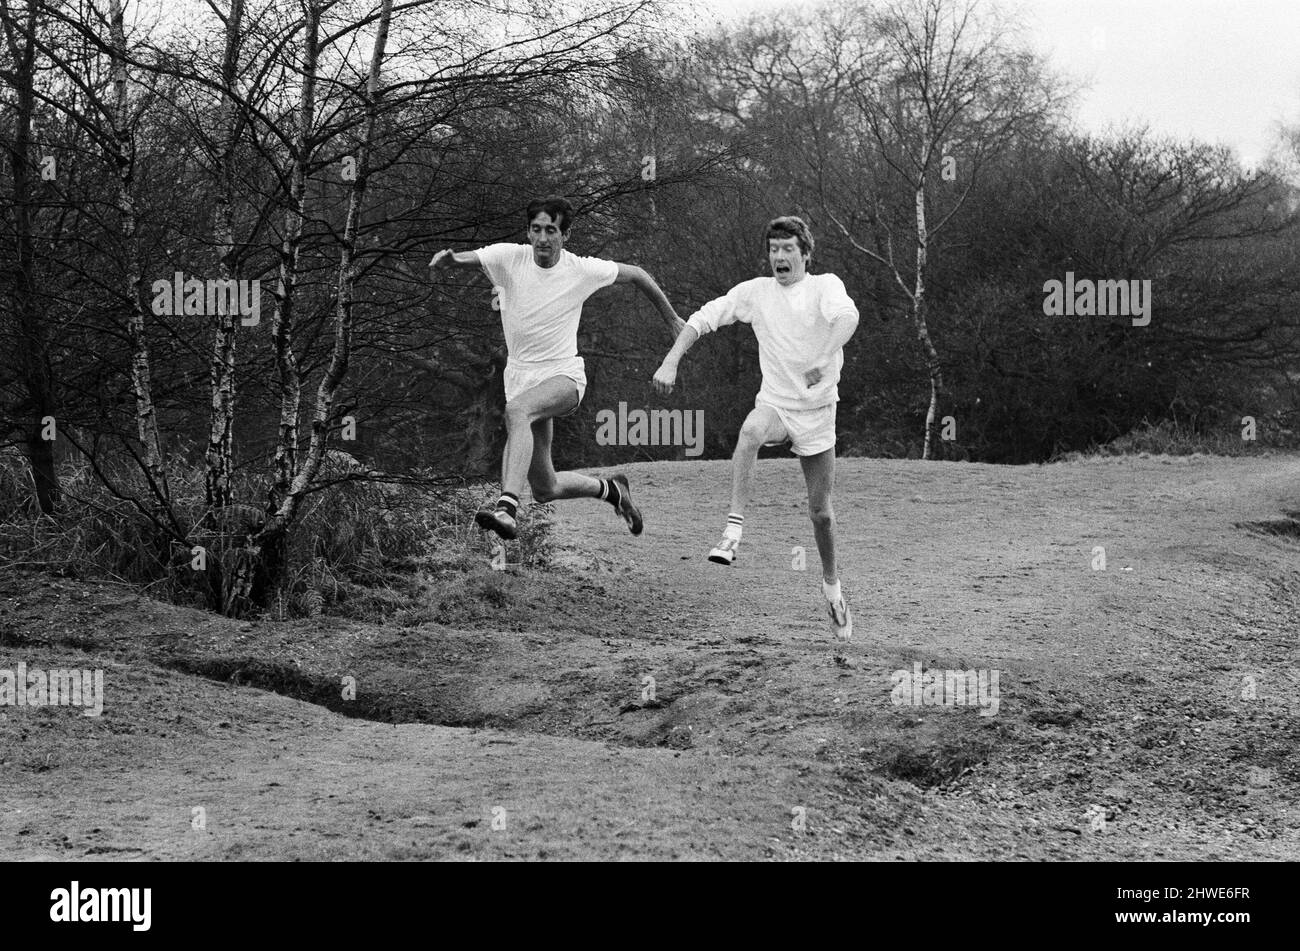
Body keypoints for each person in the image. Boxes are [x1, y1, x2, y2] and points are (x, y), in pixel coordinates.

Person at [652, 216, 859, 639]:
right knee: (749, 431)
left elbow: (847, 318)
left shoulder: (826, 286)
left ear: (805, 254)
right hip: (776, 406)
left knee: (820, 514)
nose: (779, 257)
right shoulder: (756, 293)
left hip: (818, 411)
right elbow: (704, 318)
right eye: (773, 249)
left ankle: (832, 588)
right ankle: (732, 532)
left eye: (788, 249)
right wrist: (671, 360)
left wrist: (824, 357)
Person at [431, 196, 684, 540]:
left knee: (517, 411)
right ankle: (613, 490)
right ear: (528, 232)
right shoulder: (510, 257)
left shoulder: (581, 269)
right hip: (522, 378)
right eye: (536, 229)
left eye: (551, 230)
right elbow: (471, 258)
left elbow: (637, 274)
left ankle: (506, 509)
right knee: (546, 486)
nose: (542, 239)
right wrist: (451, 259)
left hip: (564, 377)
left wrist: (671, 320)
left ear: (565, 235)